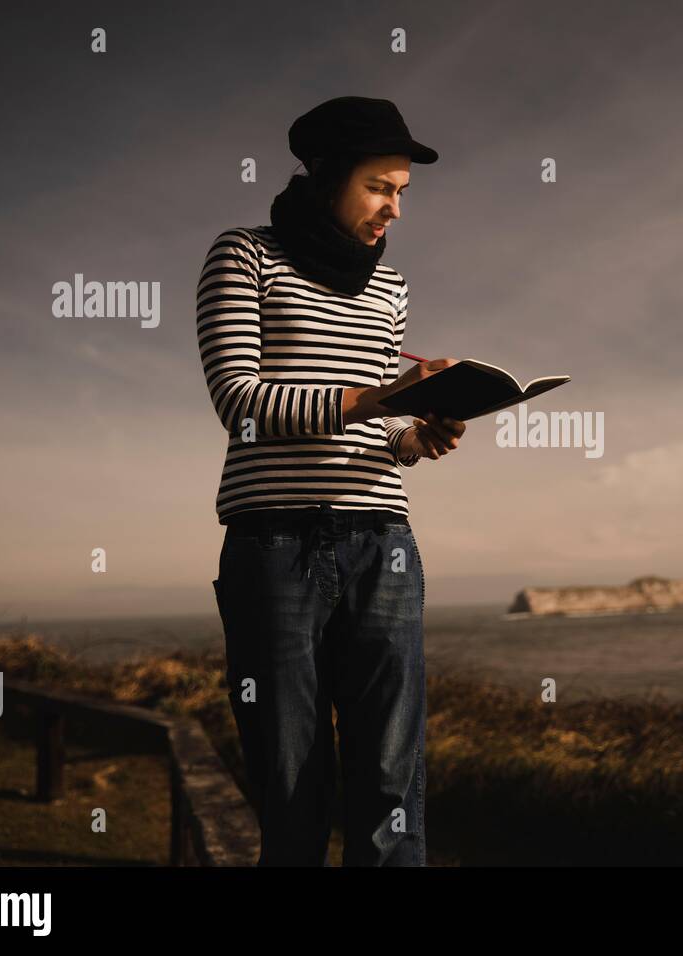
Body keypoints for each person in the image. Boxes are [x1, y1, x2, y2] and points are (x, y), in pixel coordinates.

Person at [195, 96, 465, 866]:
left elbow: (382, 427)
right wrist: (374, 399)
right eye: (381, 187)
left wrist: (418, 434)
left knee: (392, 785)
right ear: (327, 176)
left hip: (385, 543)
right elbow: (240, 403)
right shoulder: (242, 254)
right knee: (291, 785)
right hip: (273, 542)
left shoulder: (389, 288)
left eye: (403, 193)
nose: (395, 209)